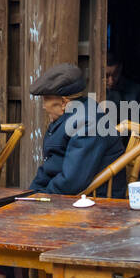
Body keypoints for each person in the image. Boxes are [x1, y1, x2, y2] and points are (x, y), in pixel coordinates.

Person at [28, 62, 124, 197]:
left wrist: (41, 197)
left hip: (92, 202)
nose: (44, 106)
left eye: (46, 100)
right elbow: (51, 166)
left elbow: (71, 182)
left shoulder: (87, 123)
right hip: (63, 196)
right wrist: (30, 193)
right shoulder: (72, 115)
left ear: (64, 102)